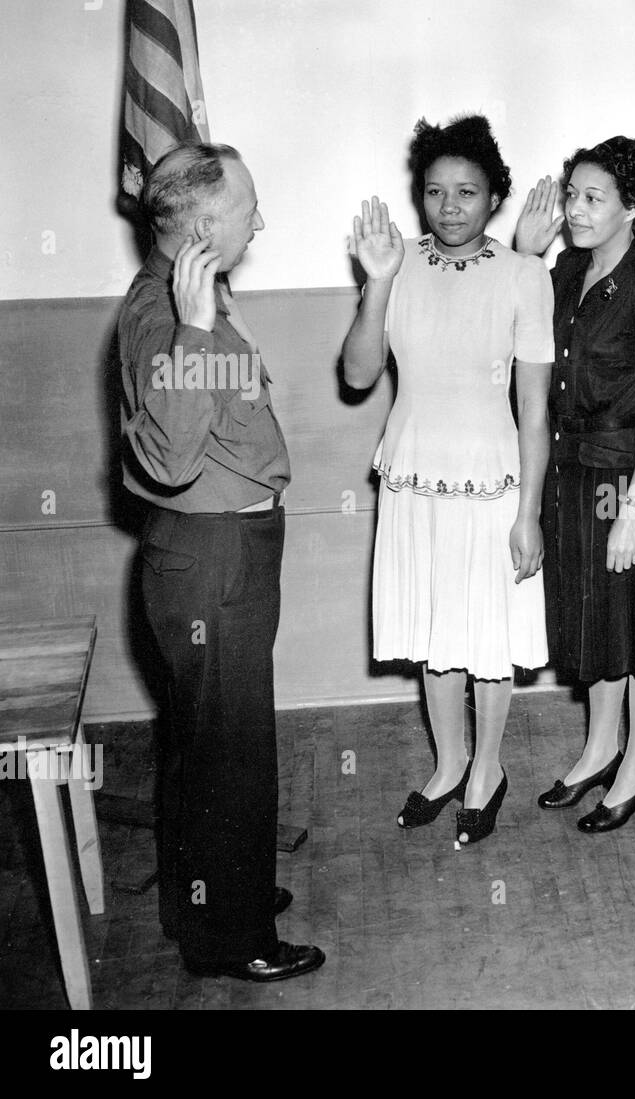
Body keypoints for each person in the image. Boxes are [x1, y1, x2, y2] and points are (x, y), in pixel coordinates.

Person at [119, 142, 324, 981]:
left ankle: (205, 894)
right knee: (231, 752)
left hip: (219, 552)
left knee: (202, 744)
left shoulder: (184, 295)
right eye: (248, 209)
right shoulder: (173, 314)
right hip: (213, 558)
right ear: (203, 224)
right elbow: (168, 458)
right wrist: (201, 330)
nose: (260, 220)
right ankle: (233, 937)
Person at [342, 115, 553, 847]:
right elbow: (359, 372)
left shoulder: (526, 275)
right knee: (436, 630)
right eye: (435, 192)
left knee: (485, 632)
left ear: (494, 196)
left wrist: (529, 513)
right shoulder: (393, 261)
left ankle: (488, 768)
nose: (450, 207)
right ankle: (448, 762)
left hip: (490, 480)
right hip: (412, 474)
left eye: (467, 192)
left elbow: (534, 411)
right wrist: (375, 285)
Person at [515, 137, 635, 833]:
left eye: (594, 199)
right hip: (573, 468)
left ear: (632, 209)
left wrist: (633, 513)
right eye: (573, 195)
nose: (576, 210)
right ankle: (600, 747)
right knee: (597, 621)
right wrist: (524, 255)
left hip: (628, 476)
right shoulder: (563, 272)